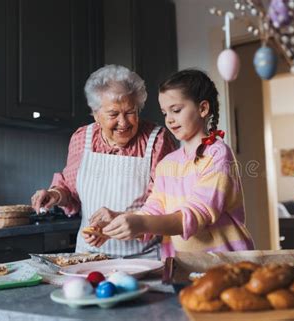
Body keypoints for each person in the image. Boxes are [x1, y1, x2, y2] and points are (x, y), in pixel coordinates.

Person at [90, 69, 254, 258]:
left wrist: (141, 224)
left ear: (203, 109)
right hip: (183, 264)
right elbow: (153, 210)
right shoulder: (167, 163)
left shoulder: (217, 154)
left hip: (227, 262)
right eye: (165, 112)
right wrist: (117, 220)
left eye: (176, 110)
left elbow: (197, 214)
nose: (169, 119)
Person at [31, 65, 176, 258]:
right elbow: (70, 189)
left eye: (130, 112)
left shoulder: (157, 140)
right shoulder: (82, 138)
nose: (123, 122)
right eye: (113, 114)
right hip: (89, 255)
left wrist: (122, 219)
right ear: (95, 113)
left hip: (144, 257)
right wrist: (55, 195)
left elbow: (165, 202)